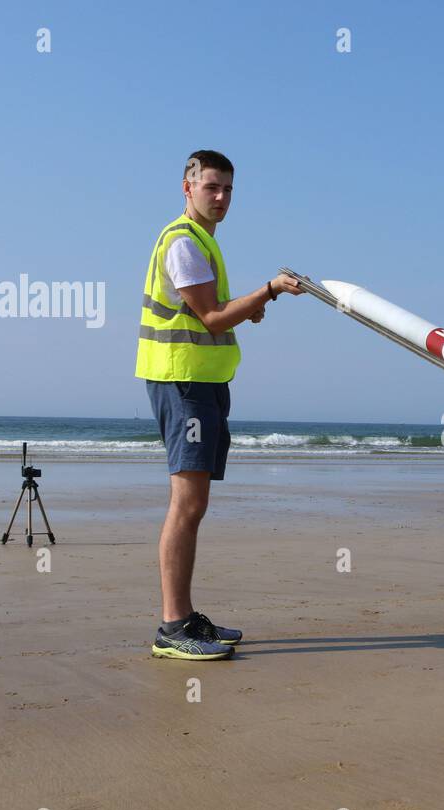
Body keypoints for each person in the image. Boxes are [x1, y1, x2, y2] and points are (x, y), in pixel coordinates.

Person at [135, 149, 304, 661]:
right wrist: (269, 291)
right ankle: (172, 627)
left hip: (202, 385)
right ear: (187, 188)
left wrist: (246, 309)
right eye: (212, 187)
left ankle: (184, 617)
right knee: (186, 505)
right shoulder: (184, 243)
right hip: (182, 384)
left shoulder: (203, 242)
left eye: (229, 189)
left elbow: (214, 313)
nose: (222, 197)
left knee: (195, 505)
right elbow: (210, 317)